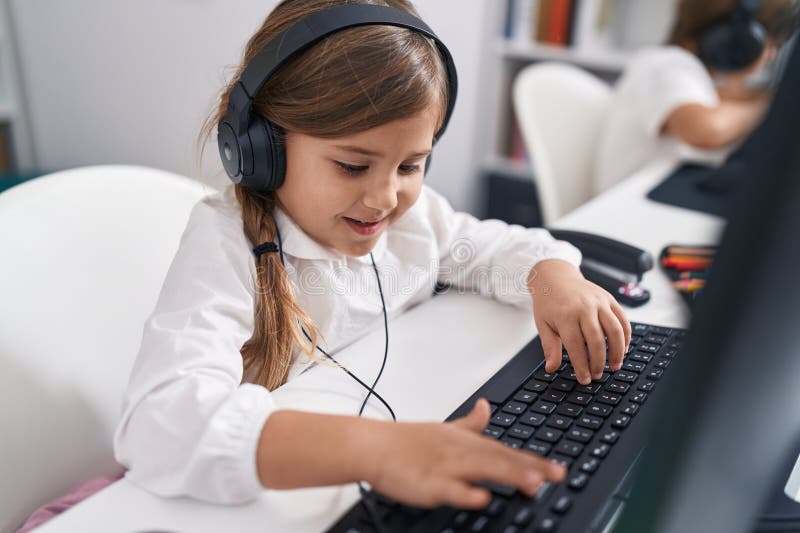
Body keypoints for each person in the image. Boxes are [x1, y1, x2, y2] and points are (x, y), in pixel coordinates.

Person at [111, 0, 631, 514]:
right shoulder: (226, 243)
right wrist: (375, 450)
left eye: (410, 165)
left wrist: (553, 277)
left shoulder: (416, 219)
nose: (386, 198)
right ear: (260, 148)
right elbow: (159, 423)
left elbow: (493, 249)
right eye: (353, 166)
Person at [594, 0, 798, 193]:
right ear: (738, 39)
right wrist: (775, 104)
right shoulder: (666, 64)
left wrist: (772, 94)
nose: (771, 56)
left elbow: (730, 97)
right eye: (770, 44)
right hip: (622, 214)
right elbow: (707, 131)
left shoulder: (692, 76)